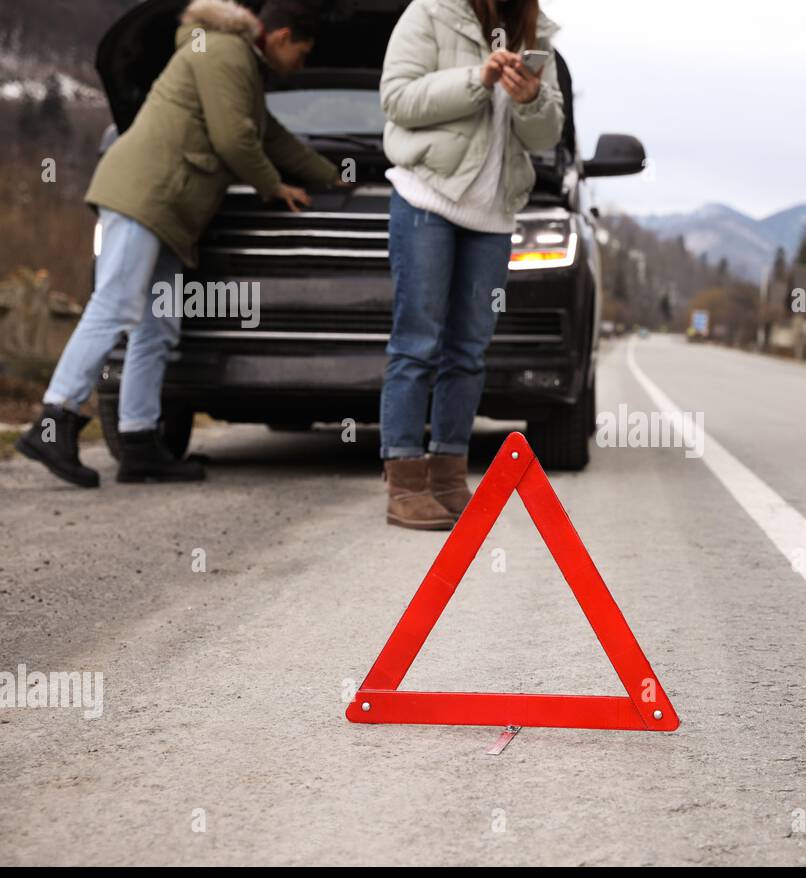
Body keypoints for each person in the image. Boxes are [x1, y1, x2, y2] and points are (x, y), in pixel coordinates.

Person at [17, 0, 339, 487]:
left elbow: (270, 136)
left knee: (157, 326)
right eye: (304, 52)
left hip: (170, 213)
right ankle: (53, 421)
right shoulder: (225, 52)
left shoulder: (244, 69)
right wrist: (274, 186)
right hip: (144, 196)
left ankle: (141, 443)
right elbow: (235, 140)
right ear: (281, 36)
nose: (303, 65)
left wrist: (335, 179)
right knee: (116, 305)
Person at [378, 0, 564, 530]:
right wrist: (477, 78)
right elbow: (397, 100)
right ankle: (404, 480)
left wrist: (529, 100)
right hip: (427, 200)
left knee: (469, 352)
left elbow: (546, 135)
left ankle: (448, 477)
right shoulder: (429, 13)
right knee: (417, 342)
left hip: (494, 214)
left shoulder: (538, 31)